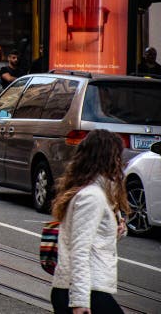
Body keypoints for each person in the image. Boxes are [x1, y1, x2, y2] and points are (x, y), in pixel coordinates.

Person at [50, 129, 129, 314]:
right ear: (108, 158)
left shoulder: (96, 192)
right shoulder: (92, 197)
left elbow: (96, 240)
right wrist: (80, 301)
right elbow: (80, 250)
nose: (121, 162)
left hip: (83, 289)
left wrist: (118, 229)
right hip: (85, 292)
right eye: (118, 156)